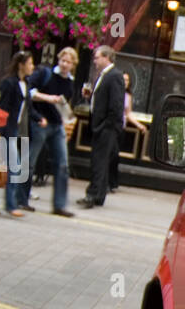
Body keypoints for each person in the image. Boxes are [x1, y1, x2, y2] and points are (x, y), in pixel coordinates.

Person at [0, 51, 63, 217]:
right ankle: (10, 206)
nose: (32, 67)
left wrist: (39, 118)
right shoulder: (9, 84)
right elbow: (3, 109)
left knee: (0, 167)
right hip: (6, 130)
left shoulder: (26, 83)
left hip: (16, 130)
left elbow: (28, 107)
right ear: (21, 65)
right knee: (12, 168)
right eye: (30, 64)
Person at [25, 46, 77, 217]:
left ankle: (59, 205)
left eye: (68, 62)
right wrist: (48, 98)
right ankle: (21, 199)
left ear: (73, 64)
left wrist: (65, 116)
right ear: (58, 60)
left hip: (57, 125)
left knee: (62, 164)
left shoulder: (70, 82)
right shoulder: (45, 74)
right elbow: (30, 92)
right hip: (41, 122)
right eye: (63, 60)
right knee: (30, 161)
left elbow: (64, 104)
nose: (64, 64)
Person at [78, 45, 125, 209]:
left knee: (98, 161)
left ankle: (92, 194)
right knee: (100, 161)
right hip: (99, 125)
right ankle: (98, 195)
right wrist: (90, 97)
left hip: (106, 128)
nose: (95, 61)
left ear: (107, 58)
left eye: (97, 57)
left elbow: (116, 105)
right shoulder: (103, 76)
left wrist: (105, 126)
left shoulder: (115, 76)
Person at [109, 71, 147, 194]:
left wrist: (139, 125)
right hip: (110, 127)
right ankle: (106, 181)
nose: (125, 82)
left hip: (121, 128)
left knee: (115, 156)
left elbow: (128, 113)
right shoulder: (113, 92)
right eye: (123, 80)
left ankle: (111, 182)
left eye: (127, 81)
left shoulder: (128, 96)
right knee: (111, 154)